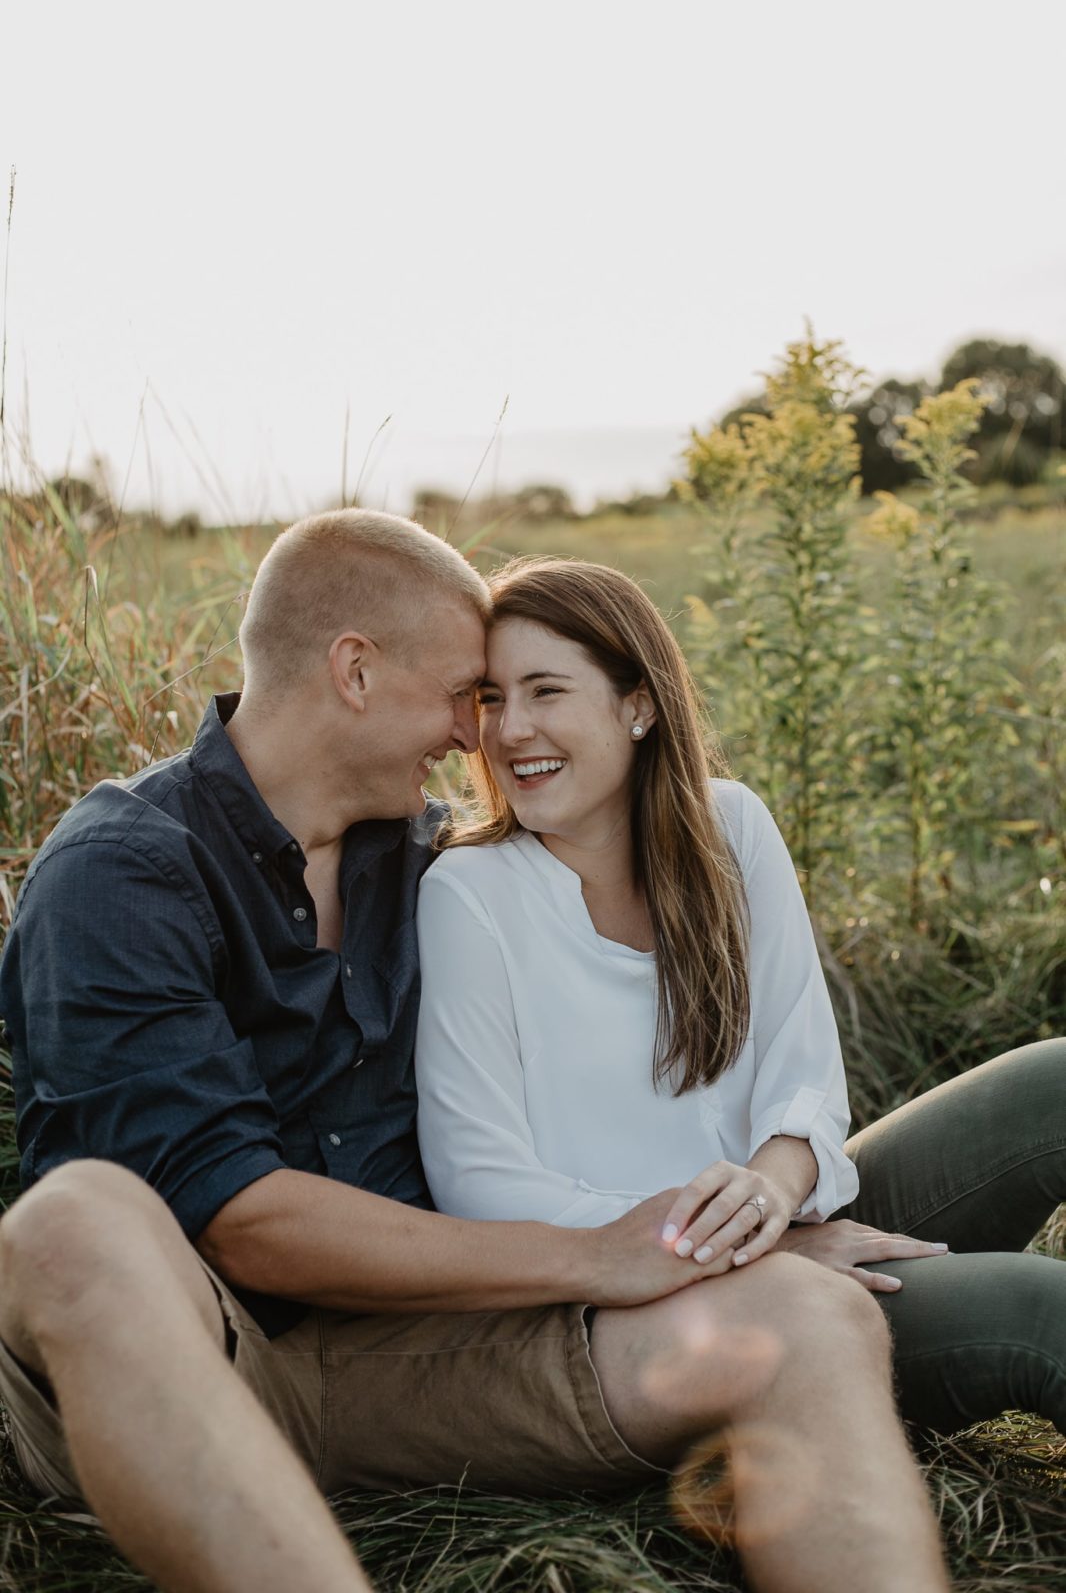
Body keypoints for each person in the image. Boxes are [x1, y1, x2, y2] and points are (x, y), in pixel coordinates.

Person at [0, 511, 952, 1593]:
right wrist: (605, 1253)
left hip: (421, 1355)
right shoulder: (123, 871)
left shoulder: (417, 862)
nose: (474, 736)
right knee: (73, 1222)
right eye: (466, 691)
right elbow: (241, 1222)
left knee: (808, 1314)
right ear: (354, 671)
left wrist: (750, 1235)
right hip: (196, 1355)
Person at [414, 559, 1066, 1497]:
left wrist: (768, 1195)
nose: (510, 730)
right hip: (657, 1317)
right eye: (489, 697)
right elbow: (481, 1186)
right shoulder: (469, 896)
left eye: (546, 690)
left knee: (1052, 1085)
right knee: (1040, 1310)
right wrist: (751, 1247)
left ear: (638, 705)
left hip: (782, 1220)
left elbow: (803, 1084)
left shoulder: (732, 831)